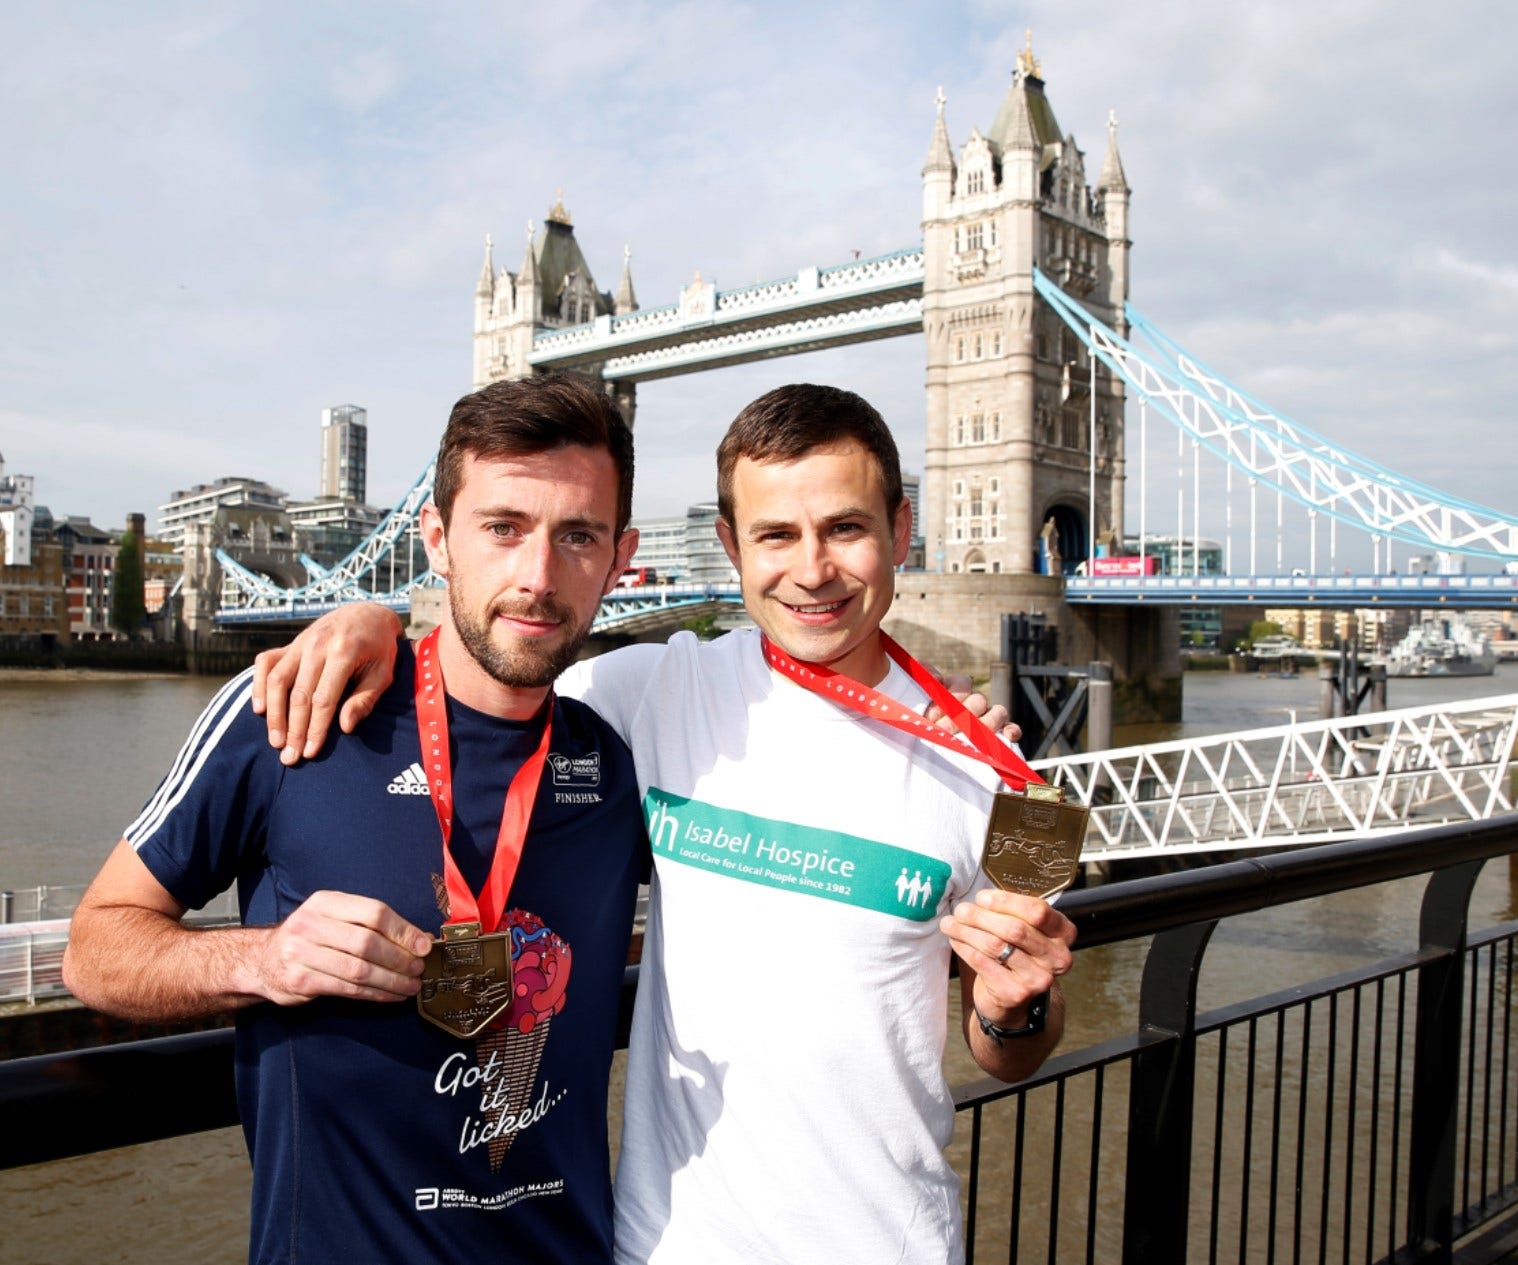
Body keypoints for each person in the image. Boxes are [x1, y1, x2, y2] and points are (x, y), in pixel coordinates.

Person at [259, 383, 1078, 1264]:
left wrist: (1015, 1010)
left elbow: (1007, 1051)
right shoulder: (650, 694)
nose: (812, 569)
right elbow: (485, 672)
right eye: (775, 535)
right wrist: (371, 620)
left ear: (900, 531)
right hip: (666, 1245)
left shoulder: (984, 765)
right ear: (731, 546)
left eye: (845, 528)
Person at [63, 373, 651, 1264]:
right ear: (436, 539)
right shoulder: (288, 715)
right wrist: (263, 957)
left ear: (620, 556)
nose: (537, 576)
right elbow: (93, 949)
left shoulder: (621, 764)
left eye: (577, 536)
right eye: (502, 528)